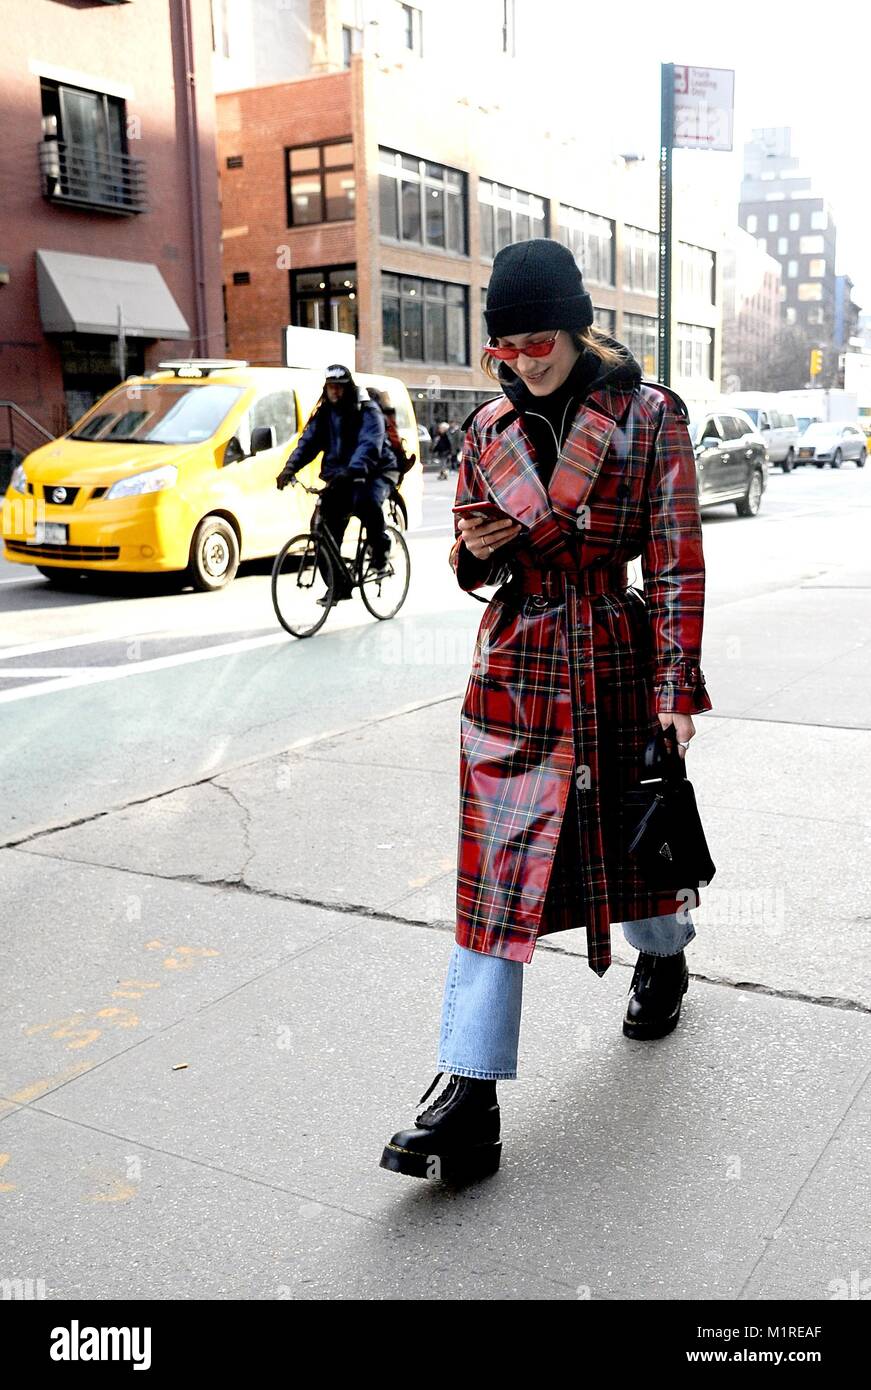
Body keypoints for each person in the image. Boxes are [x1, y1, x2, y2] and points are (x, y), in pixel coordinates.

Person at [379, 238, 712, 1184]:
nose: (519, 363)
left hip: (613, 656)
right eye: (503, 350)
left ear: (575, 330)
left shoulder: (650, 418)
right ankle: (467, 1097)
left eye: (535, 344)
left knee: (630, 843)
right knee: (496, 881)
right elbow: (464, 565)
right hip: (515, 668)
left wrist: (675, 686)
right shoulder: (485, 429)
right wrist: (477, 554)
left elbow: (677, 562)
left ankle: (665, 952)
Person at [276, 364, 391, 600]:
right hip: (340, 477)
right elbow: (308, 443)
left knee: (366, 503)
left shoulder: (367, 410)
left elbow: (370, 444)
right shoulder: (325, 413)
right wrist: (289, 468)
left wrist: (352, 470)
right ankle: (338, 585)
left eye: (339, 387)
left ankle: (381, 554)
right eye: (331, 387)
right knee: (322, 528)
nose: (335, 392)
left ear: (347, 388)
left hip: (375, 471)